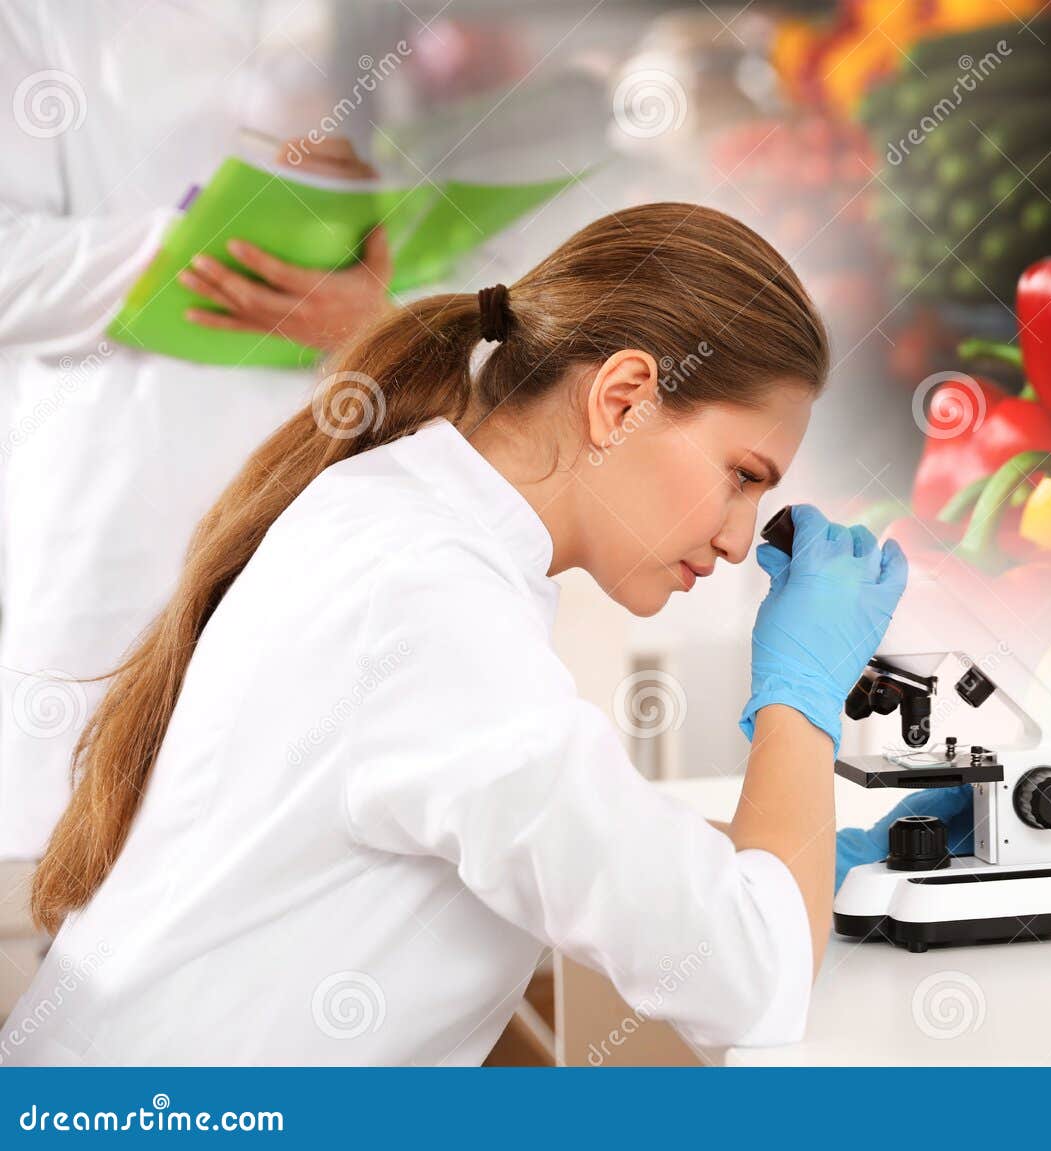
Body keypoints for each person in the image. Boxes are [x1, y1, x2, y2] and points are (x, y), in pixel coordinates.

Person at [2, 203, 908, 1065]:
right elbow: (753, 979)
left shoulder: (414, 522)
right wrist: (802, 697)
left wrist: (786, 859)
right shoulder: (430, 602)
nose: (741, 537)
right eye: (742, 475)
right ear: (623, 397)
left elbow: (541, 824)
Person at [0, 4, 401, 861]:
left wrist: (368, 307)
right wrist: (214, 256)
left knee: (299, 858)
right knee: (96, 866)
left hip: (325, 480)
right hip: (118, 499)